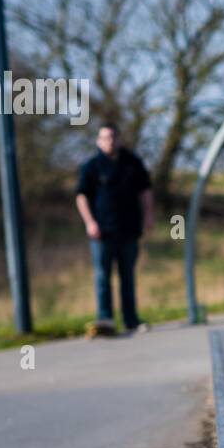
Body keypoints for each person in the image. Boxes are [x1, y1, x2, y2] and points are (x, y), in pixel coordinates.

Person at [75, 123, 154, 331]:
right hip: (102, 232)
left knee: (127, 276)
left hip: (128, 229)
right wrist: (89, 222)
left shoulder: (132, 163)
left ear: (118, 139)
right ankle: (106, 319)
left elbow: (145, 191)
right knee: (103, 277)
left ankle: (131, 320)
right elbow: (81, 196)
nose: (109, 141)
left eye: (112, 137)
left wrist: (148, 216)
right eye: (105, 138)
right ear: (98, 141)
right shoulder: (91, 166)